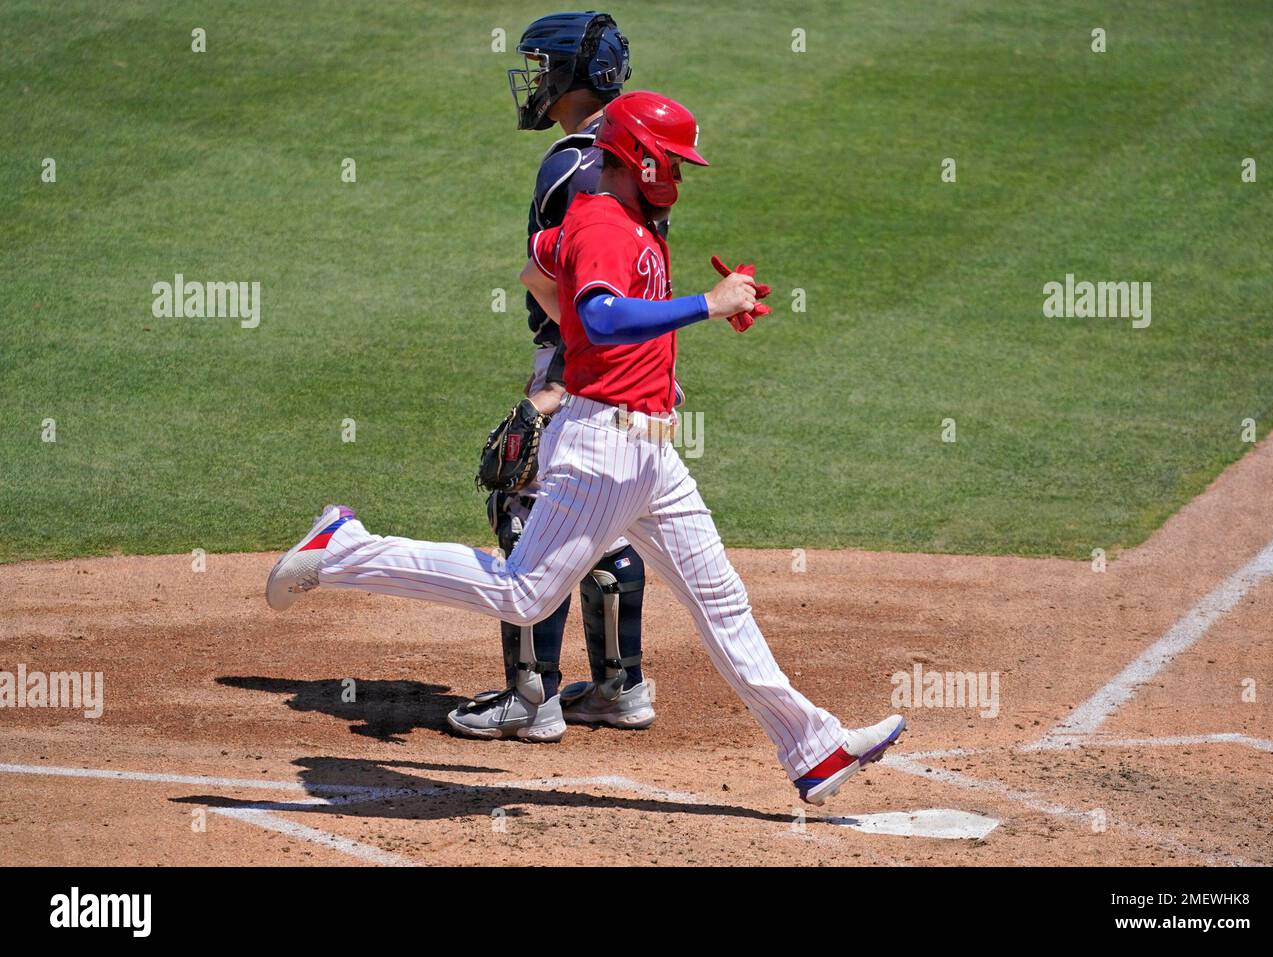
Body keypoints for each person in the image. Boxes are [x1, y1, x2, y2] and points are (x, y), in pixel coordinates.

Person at [266, 91, 905, 806]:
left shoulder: (622, 218)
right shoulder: (605, 220)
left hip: (650, 454)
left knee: (721, 598)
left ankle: (812, 748)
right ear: (642, 157)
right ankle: (345, 546)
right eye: (675, 163)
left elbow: (540, 269)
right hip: (605, 448)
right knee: (523, 592)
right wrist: (706, 304)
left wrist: (643, 361)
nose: (681, 178)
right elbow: (600, 315)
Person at [465, 11, 656, 741]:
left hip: (581, 360)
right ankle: (619, 687)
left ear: (581, 77)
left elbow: (573, 281)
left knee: (523, 501)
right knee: (602, 509)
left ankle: (530, 698)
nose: (537, 81)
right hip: (630, 362)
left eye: (546, 67)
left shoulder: (571, 163)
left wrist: (554, 386)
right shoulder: (628, 152)